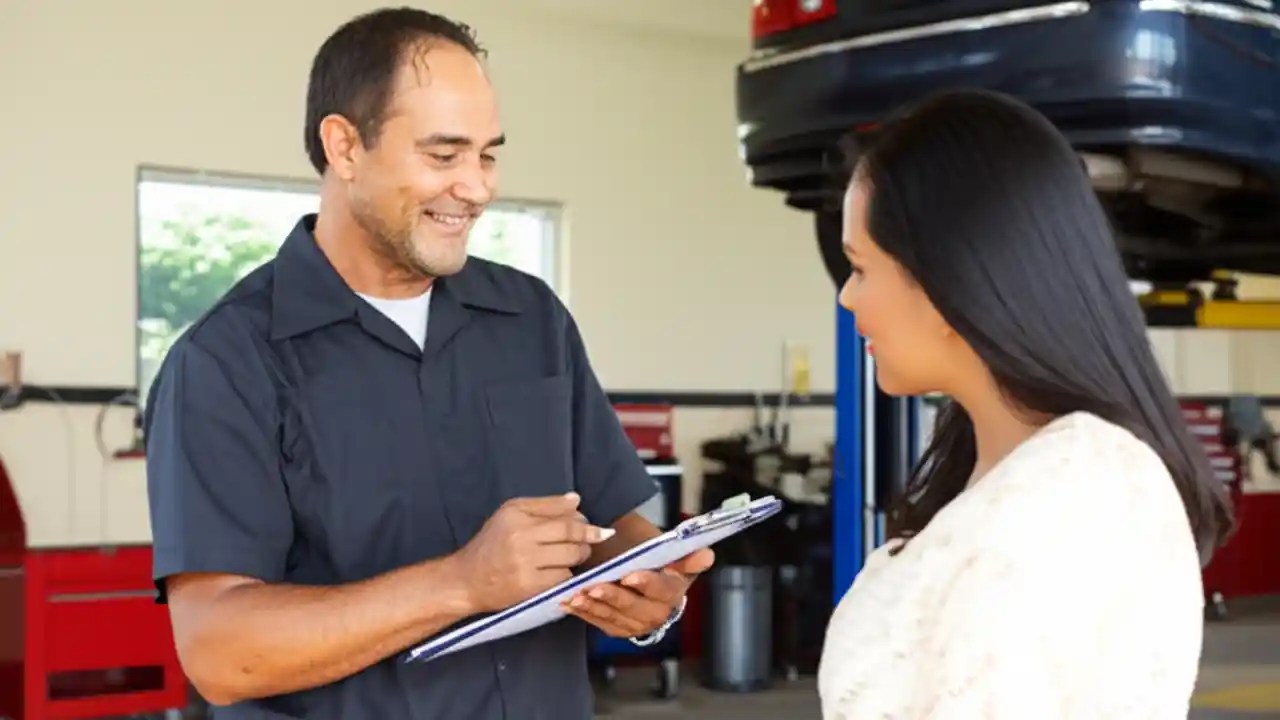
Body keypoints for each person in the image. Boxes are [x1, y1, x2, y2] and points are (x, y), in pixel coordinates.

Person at [143, 8, 712, 719]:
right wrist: (461, 583)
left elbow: (612, 524)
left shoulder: (531, 320)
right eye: (443, 156)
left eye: (488, 155)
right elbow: (221, 653)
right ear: (345, 147)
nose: (476, 187)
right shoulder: (225, 363)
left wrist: (644, 586)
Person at [817, 89, 1235, 719]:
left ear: (948, 275)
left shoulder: (1075, 488)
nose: (848, 298)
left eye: (862, 268)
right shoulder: (1021, 477)